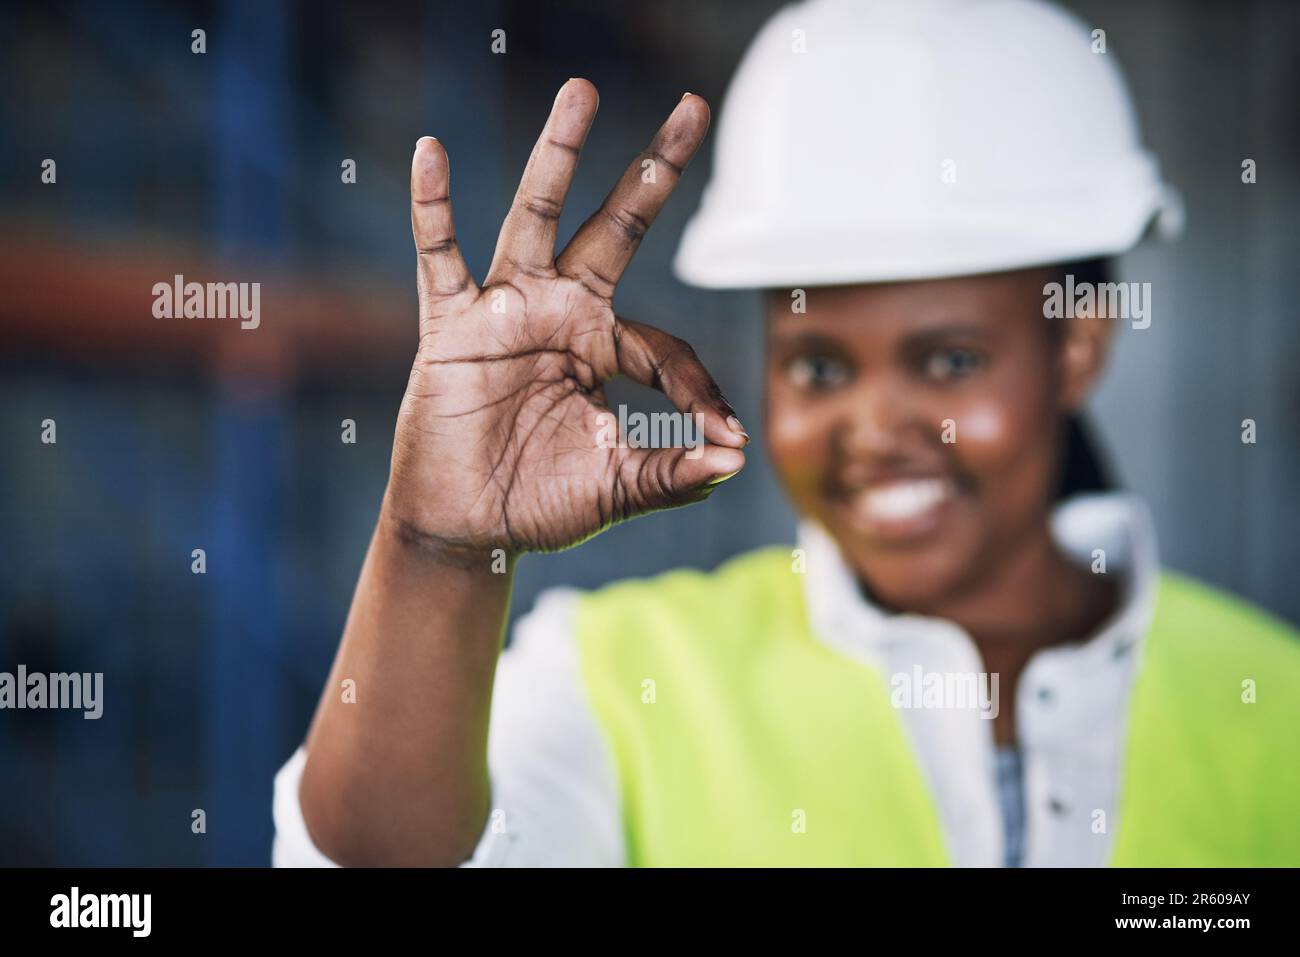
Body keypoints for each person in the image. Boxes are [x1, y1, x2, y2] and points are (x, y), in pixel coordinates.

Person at [272, 0, 1300, 867]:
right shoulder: (623, 676)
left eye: (947, 361)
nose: (875, 427)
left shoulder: (1276, 706)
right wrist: (438, 549)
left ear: (1076, 344)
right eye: (818, 366)